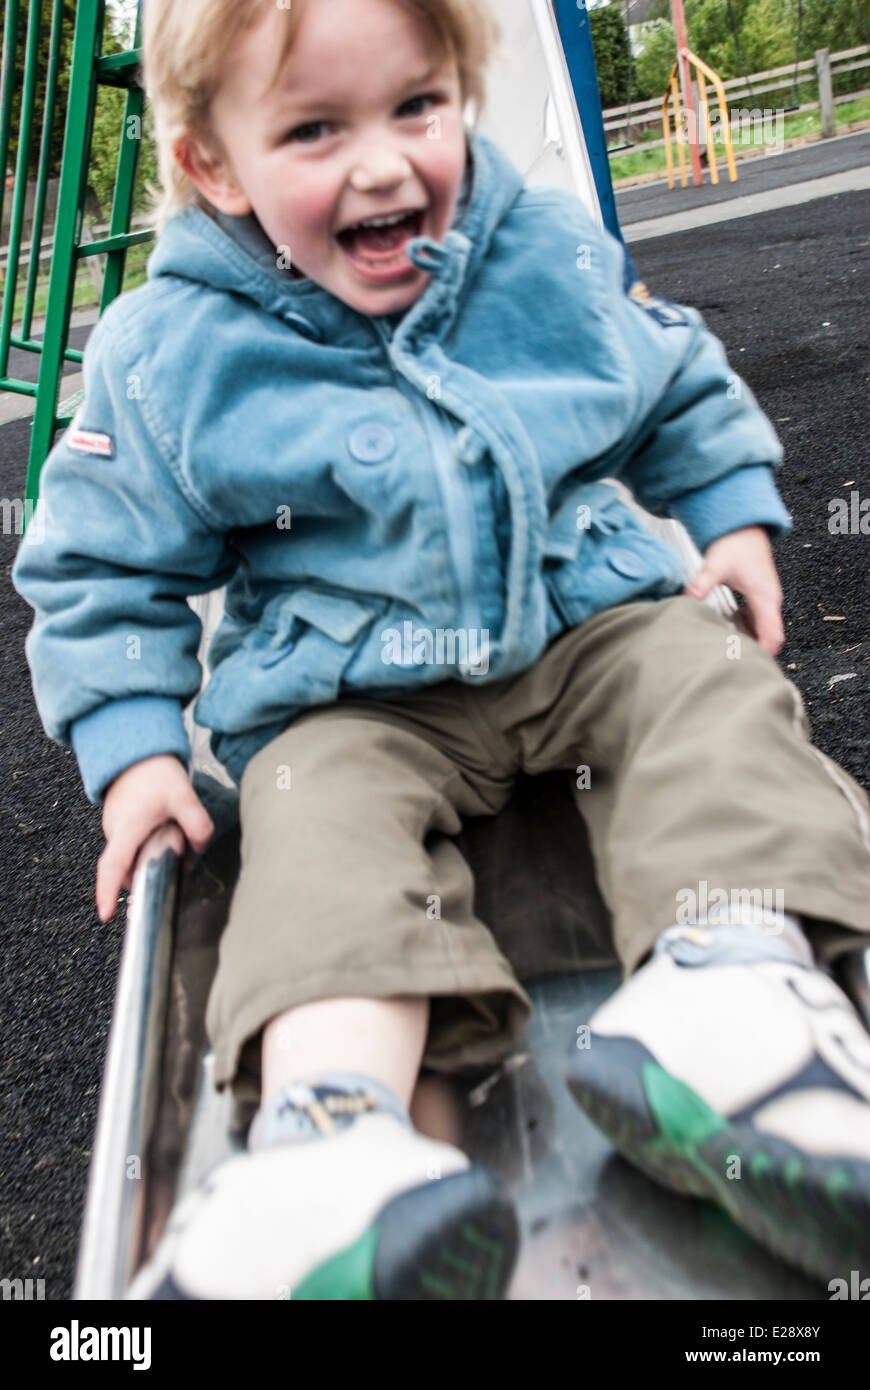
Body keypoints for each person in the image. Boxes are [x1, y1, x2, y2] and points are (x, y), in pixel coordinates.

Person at [12, 0, 870, 1300]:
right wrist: (132, 749)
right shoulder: (169, 352)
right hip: (348, 691)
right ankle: (333, 1128)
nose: (381, 162)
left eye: (416, 107)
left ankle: (733, 988)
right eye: (312, 128)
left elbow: (666, 370)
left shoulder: (531, 249)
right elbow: (100, 563)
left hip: (578, 615)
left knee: (705, 688)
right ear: (213, 165)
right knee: (310, 831)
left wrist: (731, 512)